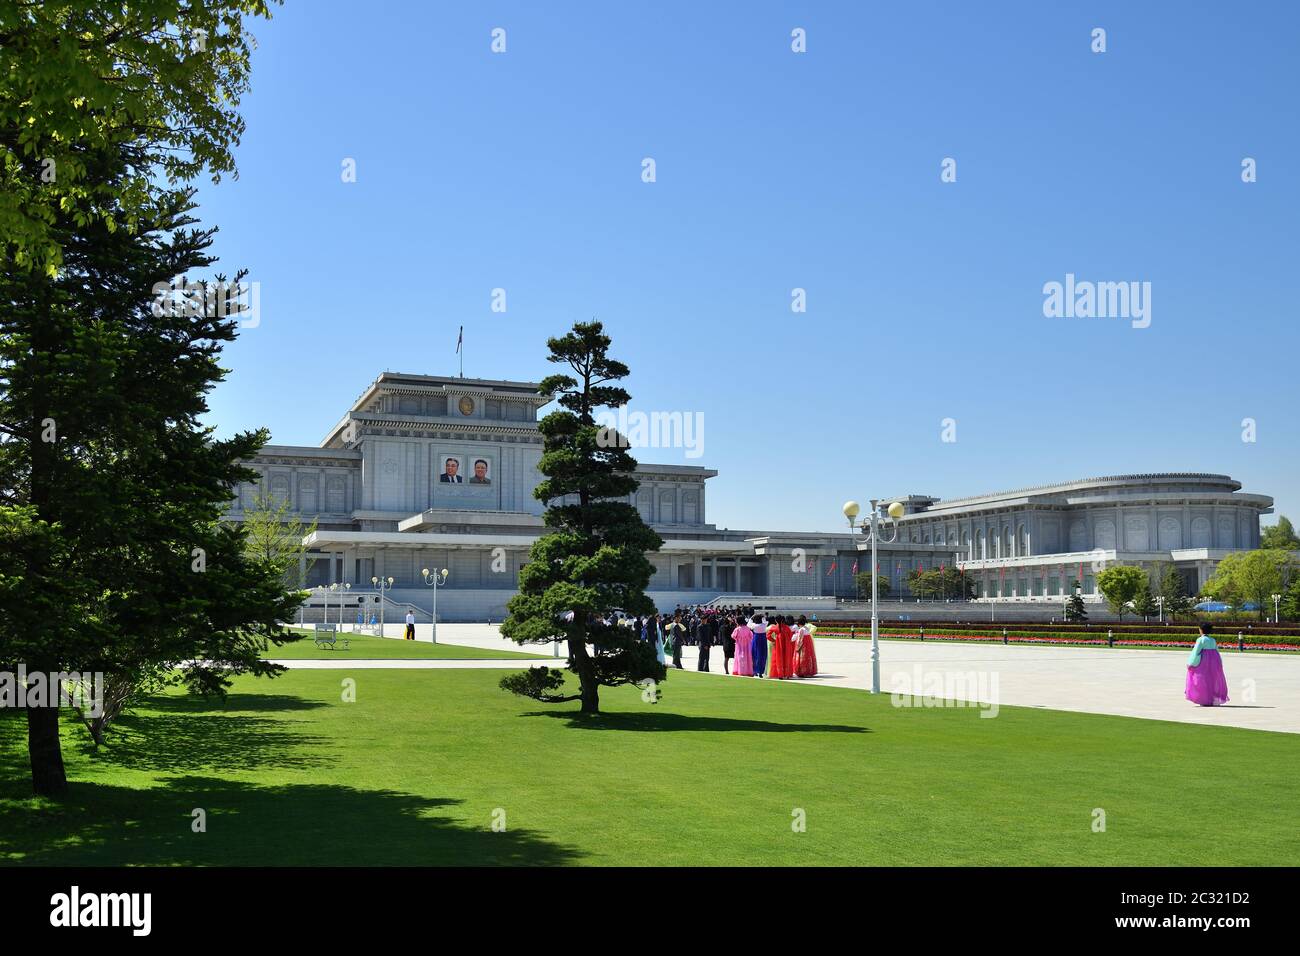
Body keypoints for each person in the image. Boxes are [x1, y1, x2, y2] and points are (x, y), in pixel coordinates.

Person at [1186, 623, 1229, 706]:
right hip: (1214, 661)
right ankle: (1213, 698)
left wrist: (1190, 663)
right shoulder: (1213, 640)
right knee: (1212, 679)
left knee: (1202, 679)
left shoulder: (1201, 640)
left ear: (1201, 630)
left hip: (1203, 662)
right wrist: (1220, 663)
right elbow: (1217, 651)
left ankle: (1204, 699)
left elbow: (1196, 652)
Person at [767, 615, 793, 679]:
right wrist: (787, 641)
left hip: (778, 645)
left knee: (778, 658)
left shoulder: (775, 627)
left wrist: (774, 641)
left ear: (776, 620)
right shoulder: (787, 627)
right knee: (787, 658)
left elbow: (768, 635)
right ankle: (787, 674)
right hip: (787, 645)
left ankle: (780, 674)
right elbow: (790, 635)